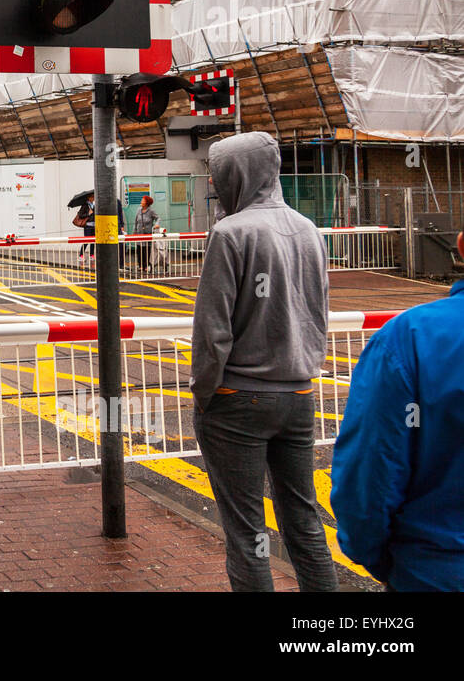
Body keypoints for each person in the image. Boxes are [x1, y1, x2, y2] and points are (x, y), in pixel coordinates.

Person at [191, 131, 337, 592]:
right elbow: (318, 311)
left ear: (237, 174)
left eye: (218, 175)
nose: (215, 185)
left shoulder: (231, 232)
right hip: (297, 394)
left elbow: (213, 330)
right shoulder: (308, 229)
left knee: (247, 531)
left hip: (237, 398)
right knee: (304, 519)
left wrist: (205, 393)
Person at [330, 229, 464, 591]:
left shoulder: (409, 337)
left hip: (435, 571)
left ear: (462, 245)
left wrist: (375, 554)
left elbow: (371, 470)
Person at [132, 195, 160, 275]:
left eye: (143, 200)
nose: (141, 202)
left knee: (146, 250)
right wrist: (134, 233)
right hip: (139, 233)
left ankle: (146, 265)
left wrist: (157, 224)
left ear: (147, 203)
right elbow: (136, 222)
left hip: (147, 234)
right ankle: (140, 265)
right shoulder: (138, 210)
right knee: (139, 249)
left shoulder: (151, 211)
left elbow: (158, 218)